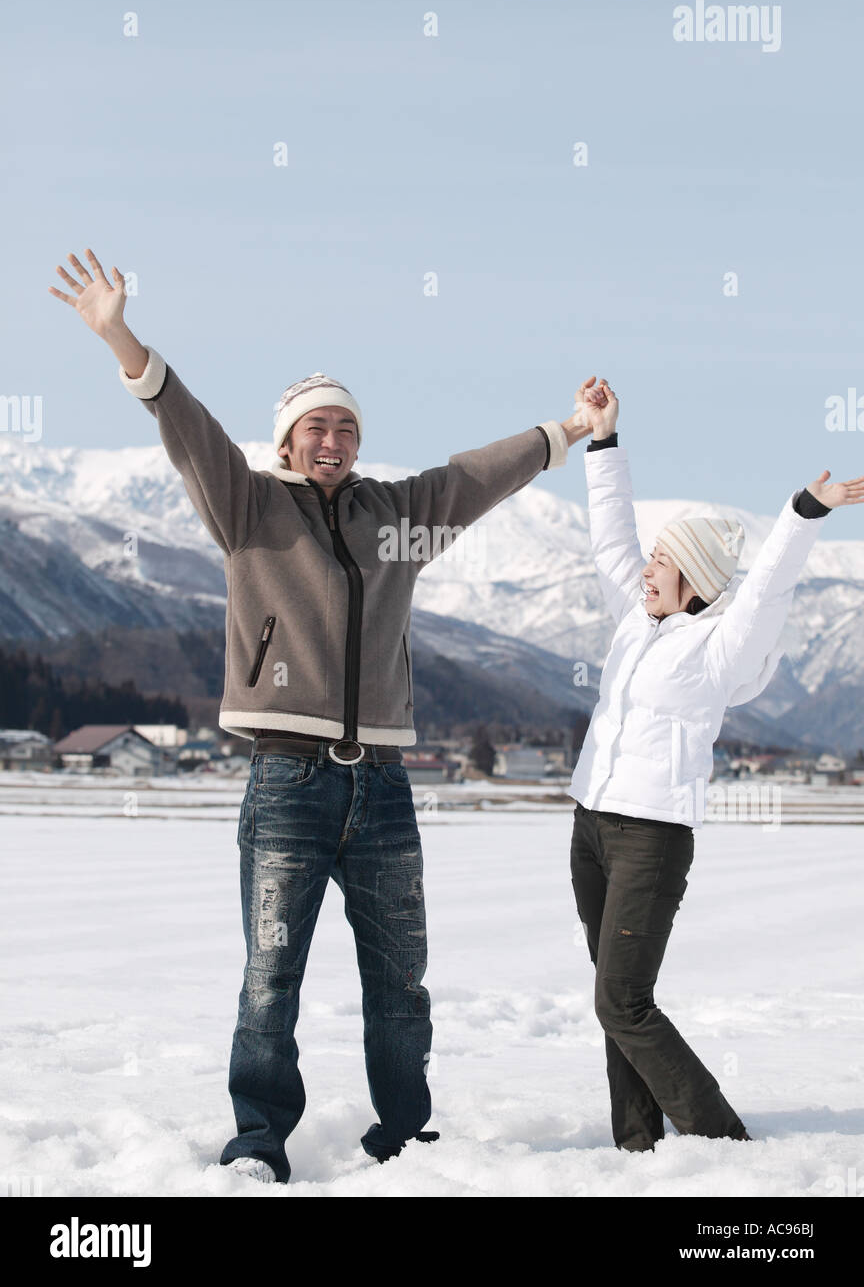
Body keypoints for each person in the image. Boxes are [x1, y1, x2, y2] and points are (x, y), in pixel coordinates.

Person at [48, 247, 596, 1184]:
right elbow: (188, 429)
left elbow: (476, 475)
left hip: (382, 787)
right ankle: (259, 1141)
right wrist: (121, 338)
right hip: (287, 781)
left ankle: (405, 1138)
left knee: (401, 981)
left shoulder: (400, 518)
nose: (333, 437)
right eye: (316, 425)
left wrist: (571, 428)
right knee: (271, 976)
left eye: (346, 425)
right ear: (287, 442)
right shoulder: (248, 508)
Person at [568, 377, 864, 1152]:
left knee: (623, 1000)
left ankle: (722, 1142)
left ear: (697, 581)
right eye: (653, 556)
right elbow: (610, 541)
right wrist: (603, 440)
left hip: (651, 837)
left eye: (664, 560)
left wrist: (804, 513)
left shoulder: (718, 648)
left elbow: (765, 589)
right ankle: (638, 1145)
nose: (646, 568)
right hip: (591, 826)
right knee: (612, 999)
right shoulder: (635, 621)